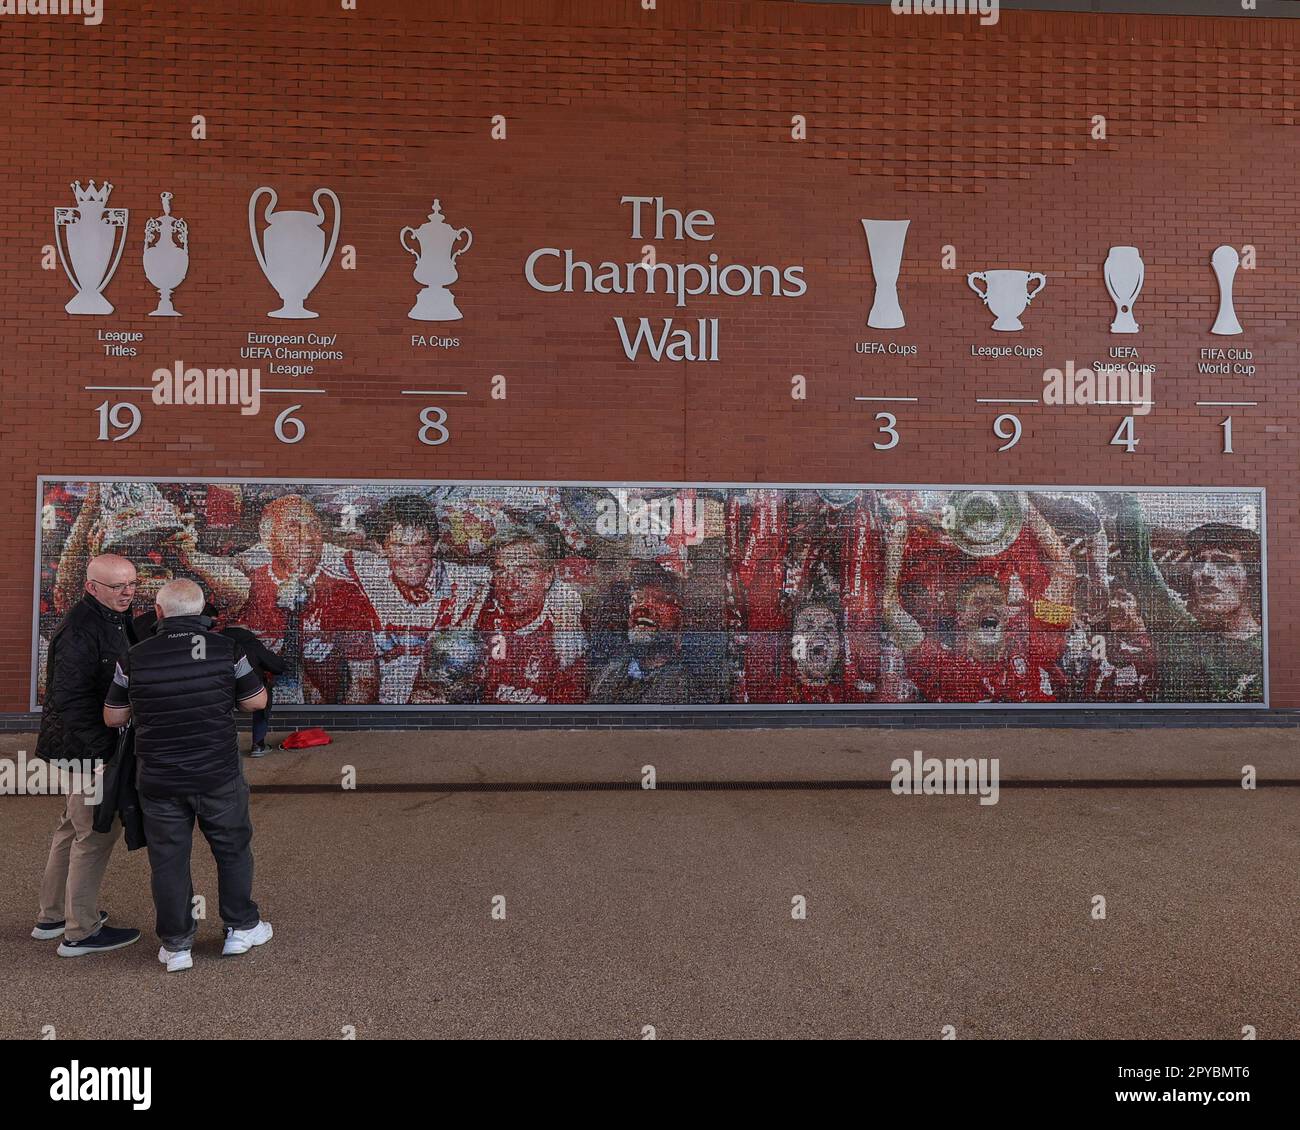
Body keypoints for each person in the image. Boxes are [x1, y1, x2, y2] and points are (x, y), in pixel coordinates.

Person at [103, 579, 272, 974]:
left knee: (168, 860)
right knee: (231, 849)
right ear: (202, 613)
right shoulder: (227, 649)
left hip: (160, 779)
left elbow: (113, 716)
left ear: (158, 613)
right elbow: (255, 701)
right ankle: (241, 928)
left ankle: (177, 946)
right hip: (218, 775)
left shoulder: (134, 656)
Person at [33, 553, 143, 956]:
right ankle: (81, 932)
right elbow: (69, 699)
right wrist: (100, 756)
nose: (127, 592)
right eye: (117, 586)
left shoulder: (113, 617)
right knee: (94, 833)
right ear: (91, 587)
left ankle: (53, 916)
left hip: (80, 748)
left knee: (70, 827)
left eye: (132, 584)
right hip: (86, 751)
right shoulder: (81, 629)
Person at [885, 496, 1076, 703]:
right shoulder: (943, 669)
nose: (988, 606)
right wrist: (900, 526)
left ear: (1006, 611)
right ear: (962, 618)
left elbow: (1065, 572)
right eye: (977, 602)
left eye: (995, 600)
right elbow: (891, 608)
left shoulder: (1034, 641)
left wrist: (1023, 505)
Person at [342, 494, 490, 704]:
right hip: (384, 708)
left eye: (421, 544)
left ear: (435, 546)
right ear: (380, 548)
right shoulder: (365, 570)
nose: (411, 556)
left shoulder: (466, 582)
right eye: (399, 545)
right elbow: (322, 547)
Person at [1114, 494, 1263, 702]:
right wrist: (1127, 498)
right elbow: (1139, 562)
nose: (1205, 572)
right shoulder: (1181, 635)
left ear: (1250, 577)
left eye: (1222, 562)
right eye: (1200, 562)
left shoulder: (1267, 653)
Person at [476, 534, 586, 705]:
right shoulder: (481, 613)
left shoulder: (565, 638)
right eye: (502, 572)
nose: (510, 584)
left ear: (548, 578)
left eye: (524, 572)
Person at [589, 564, 696, 704]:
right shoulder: (609, 674)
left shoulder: (683, 684)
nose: (643, 608)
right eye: (636, 599)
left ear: (681, 618)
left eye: (658, 599)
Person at [221, 617, 286, 755]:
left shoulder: (216, 642)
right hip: (249, 692)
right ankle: (258, 744)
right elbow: (276, 666)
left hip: (222, 690)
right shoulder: (252, 643)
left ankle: (223, 747)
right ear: (245, 630)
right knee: (264, 696)